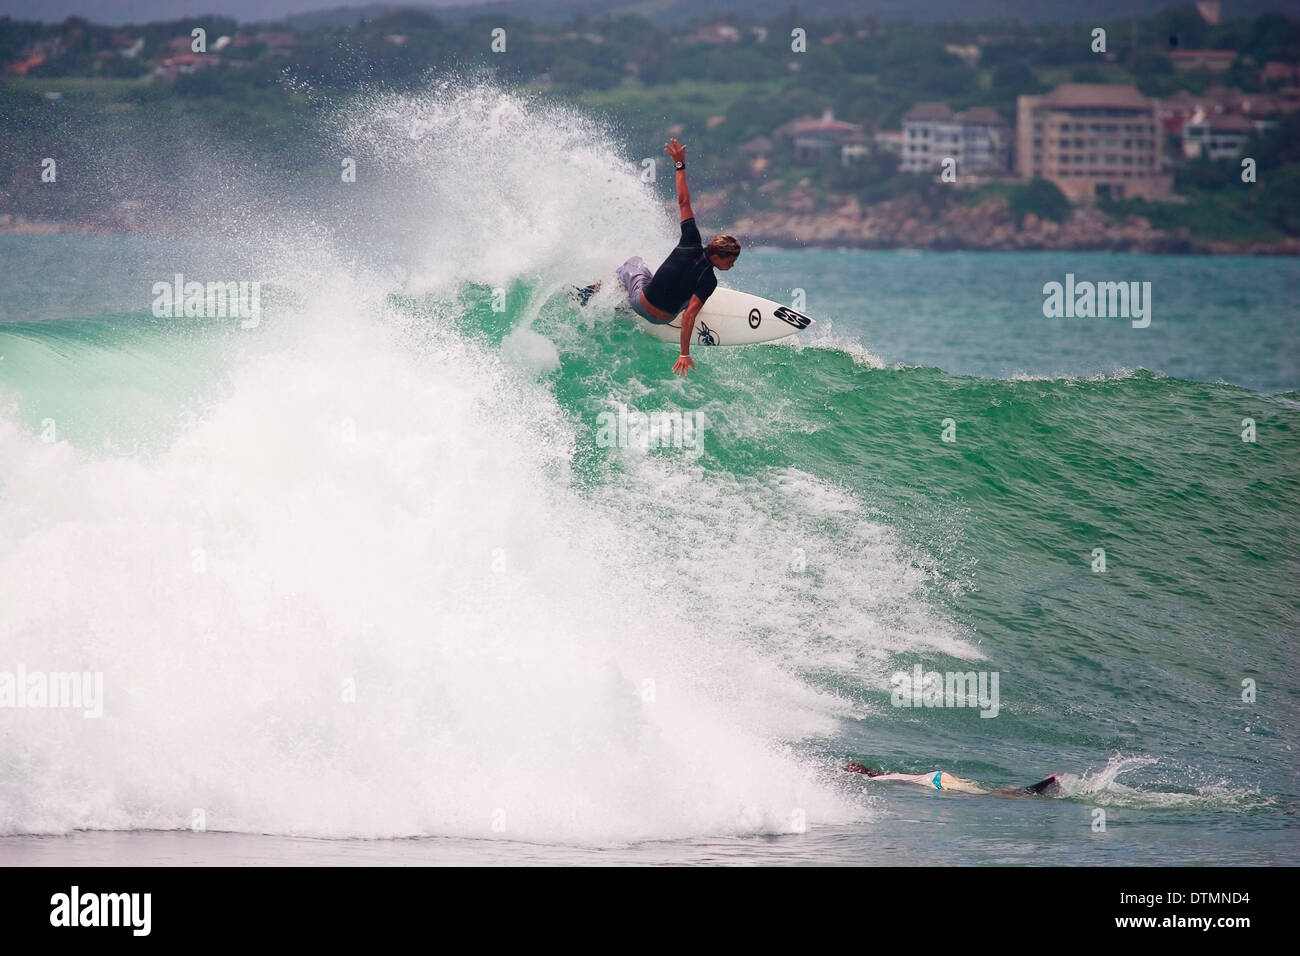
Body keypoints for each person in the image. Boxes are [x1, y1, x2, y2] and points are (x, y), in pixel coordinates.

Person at [612, 138, 741, 377]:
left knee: (633, 264)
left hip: (643, 304)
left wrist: (680, 166)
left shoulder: (690, 239)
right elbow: (689, 314)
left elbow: (683, 202)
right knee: (690, 298)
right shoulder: (709, 281)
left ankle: (602, 290)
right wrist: (684, 353)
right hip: (664, 319)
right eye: (730, 261)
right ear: (718, 255)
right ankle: (619, 302)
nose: (732, 266)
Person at [843, 762, 1063, 797]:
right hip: (939, 777)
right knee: (989, 790)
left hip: (939, 782)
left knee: (989, 796)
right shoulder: (885, 774)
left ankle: (1040, 787)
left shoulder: (877, 781)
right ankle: (1040, 786)